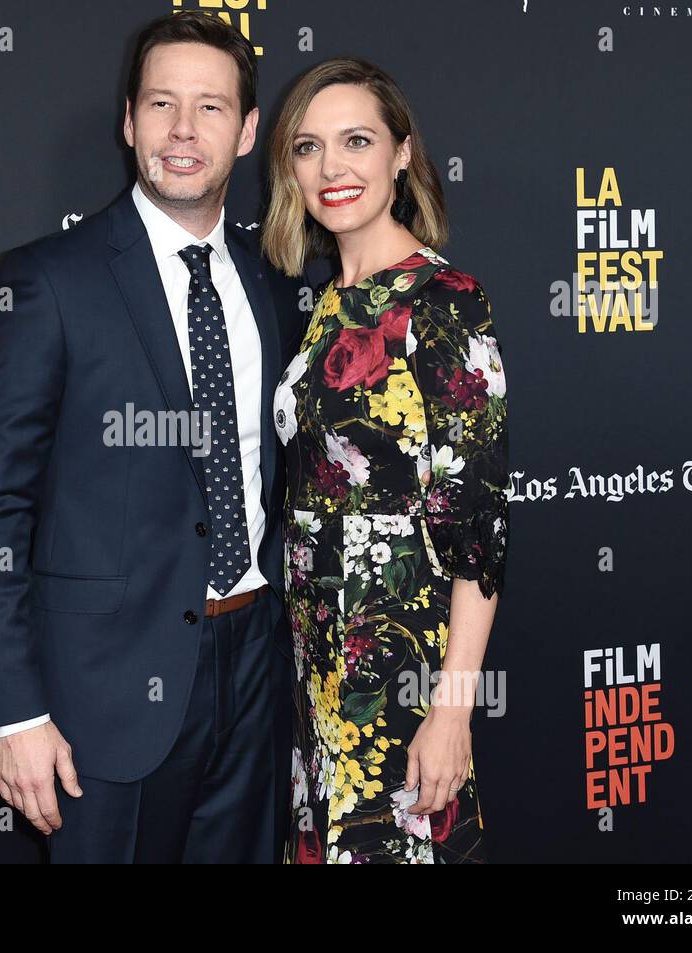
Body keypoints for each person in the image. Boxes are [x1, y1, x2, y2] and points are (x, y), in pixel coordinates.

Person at [0, 11, 304, 863]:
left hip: (256, 668)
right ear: (128, 121)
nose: (183, 131)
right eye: (161, 104)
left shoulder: (274, 283)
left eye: (212, 108)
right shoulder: (46, 281)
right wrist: (16, 711)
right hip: (103, 697)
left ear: (249, 131)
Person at [261, 58, 511, 863]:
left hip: (400, 672)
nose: (331, 169)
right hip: (317, 669)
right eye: (308, 147)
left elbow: (481, 535)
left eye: (356, 141)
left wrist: (453, 711)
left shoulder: (444, 302)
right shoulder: (327, 302)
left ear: (401, 153)